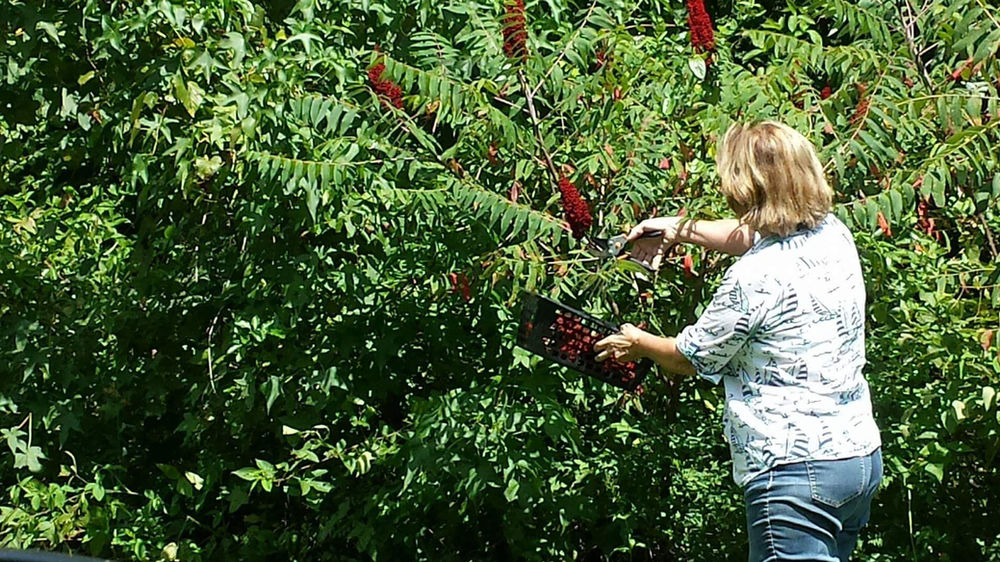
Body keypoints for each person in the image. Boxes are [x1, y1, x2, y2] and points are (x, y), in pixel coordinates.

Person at [593, 120, 883, 562]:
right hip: (856, 459)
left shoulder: (754, 278)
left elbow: (689, 357)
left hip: (793, 475)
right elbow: (755, 233)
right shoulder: (832, 233)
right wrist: (678, 227)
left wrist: (638, 342)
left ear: (746, 189)